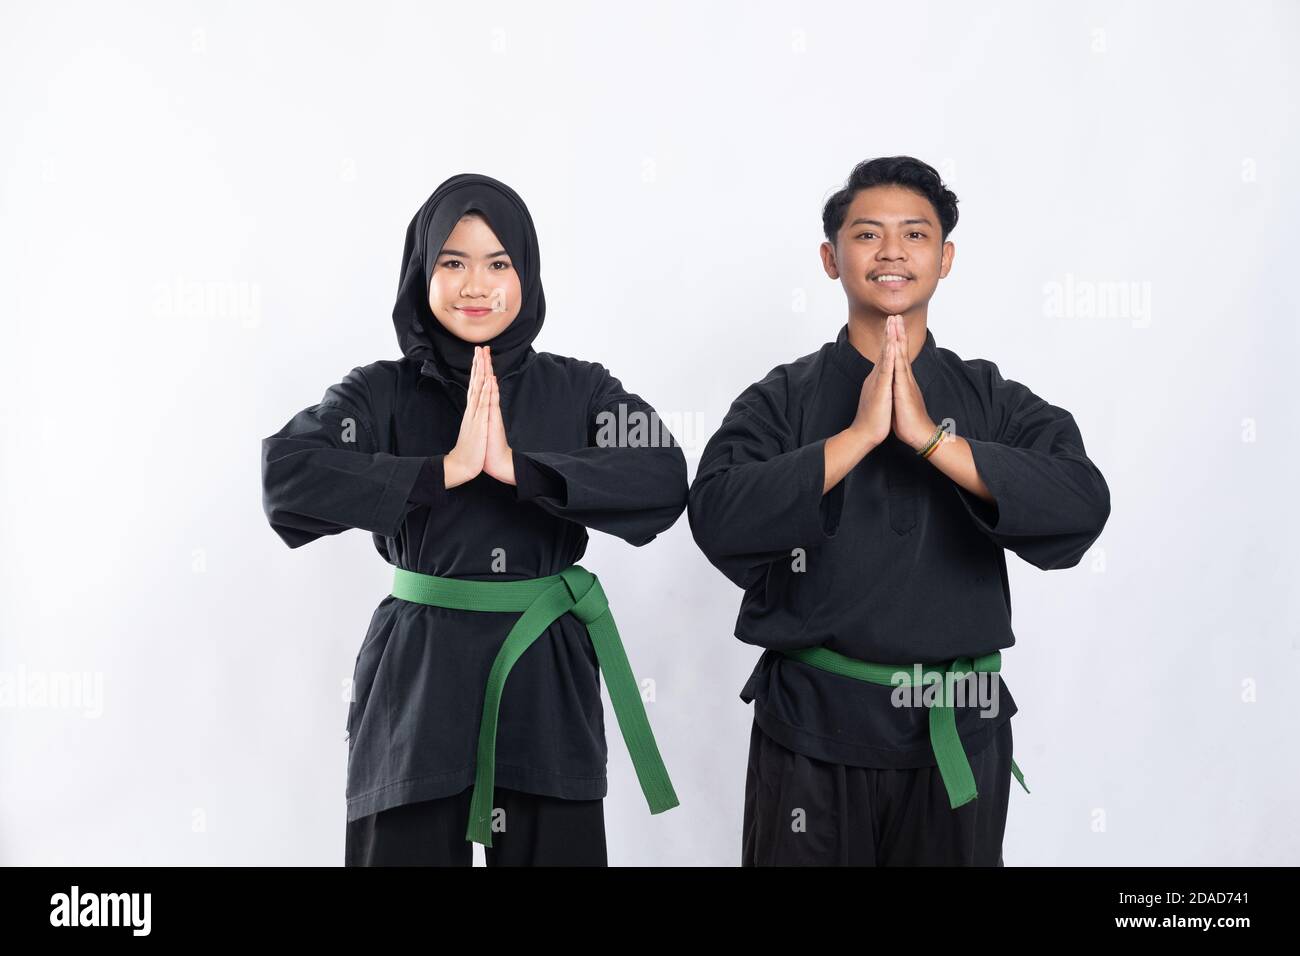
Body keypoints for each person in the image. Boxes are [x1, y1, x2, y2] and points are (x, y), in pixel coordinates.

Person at [687, 156, 1111, 866]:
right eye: (866, 235)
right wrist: (855, 440)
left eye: (914, 235)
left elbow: (1081, 500)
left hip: (954, 732)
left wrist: (931, 441)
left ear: (944, 259)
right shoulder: (781, 399)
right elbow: (718, 515)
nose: (891, 251)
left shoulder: (991, 398)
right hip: (811, 734)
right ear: (831, 259)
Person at [260, 173, 687, 866]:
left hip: (545, 668)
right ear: (422, 273)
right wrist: (442, 470)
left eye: (499, 263)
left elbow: (664, 475)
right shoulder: (380, 392)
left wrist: (523, 470)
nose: (476, 285)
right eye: (453, 262)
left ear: (526, 272)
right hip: (417, 677)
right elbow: (287, 476)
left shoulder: (580, 389)